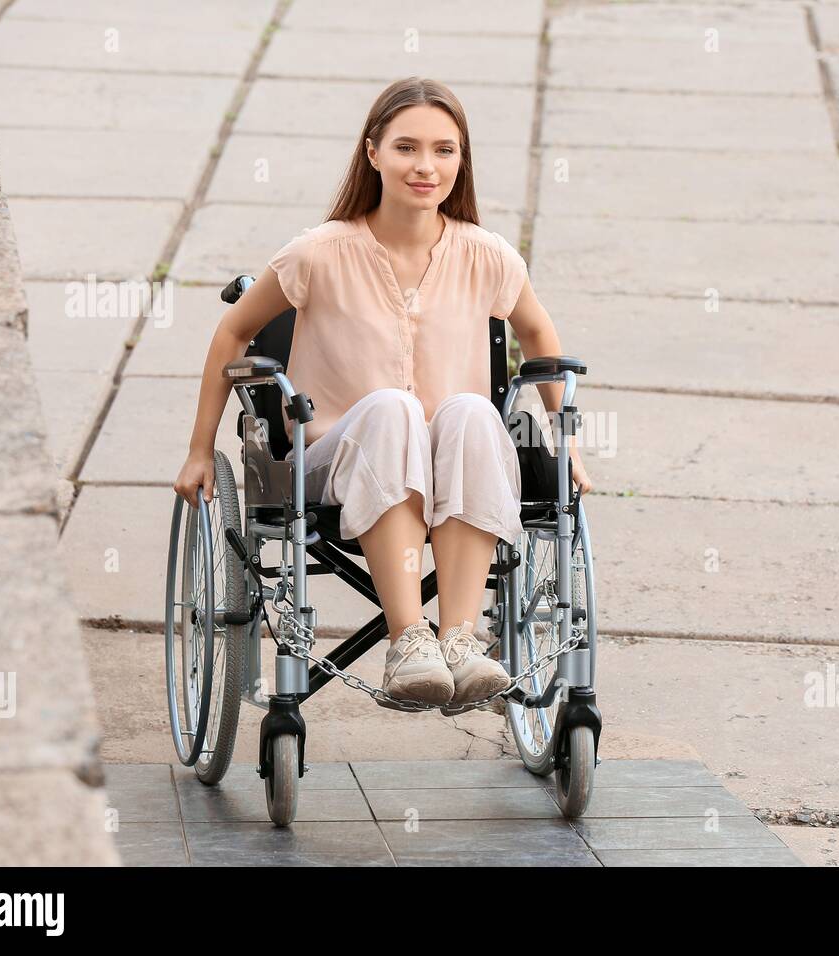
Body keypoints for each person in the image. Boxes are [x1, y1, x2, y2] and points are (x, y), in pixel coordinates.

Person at [173, 76, 592, 708]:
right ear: (373, 153)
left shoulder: (488, 255)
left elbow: (536, 332)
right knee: (394, 409)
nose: (426, 167)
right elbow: (235, 329)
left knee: (474, 412)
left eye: (445, 150)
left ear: (461, 159)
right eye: (407, 148)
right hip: (331, 465)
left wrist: (571, 447)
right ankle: (407, 640)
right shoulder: (319, 252)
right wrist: (200, 448)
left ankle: (458, 638)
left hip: (454, 464)